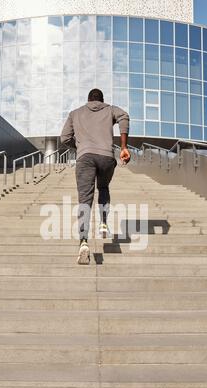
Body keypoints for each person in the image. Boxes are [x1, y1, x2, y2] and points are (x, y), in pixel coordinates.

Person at [60, 88, 130, 265]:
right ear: (102, 100)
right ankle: (104, 222)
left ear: (88, 100)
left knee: (85, 199)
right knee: (103, 187)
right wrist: (123, 147)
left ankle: (83, 241)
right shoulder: (110, 109)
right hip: (106, 156)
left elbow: (64, 138)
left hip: (85, 158)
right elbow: (124, 116)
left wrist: (81, 147)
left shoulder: (75, 113)